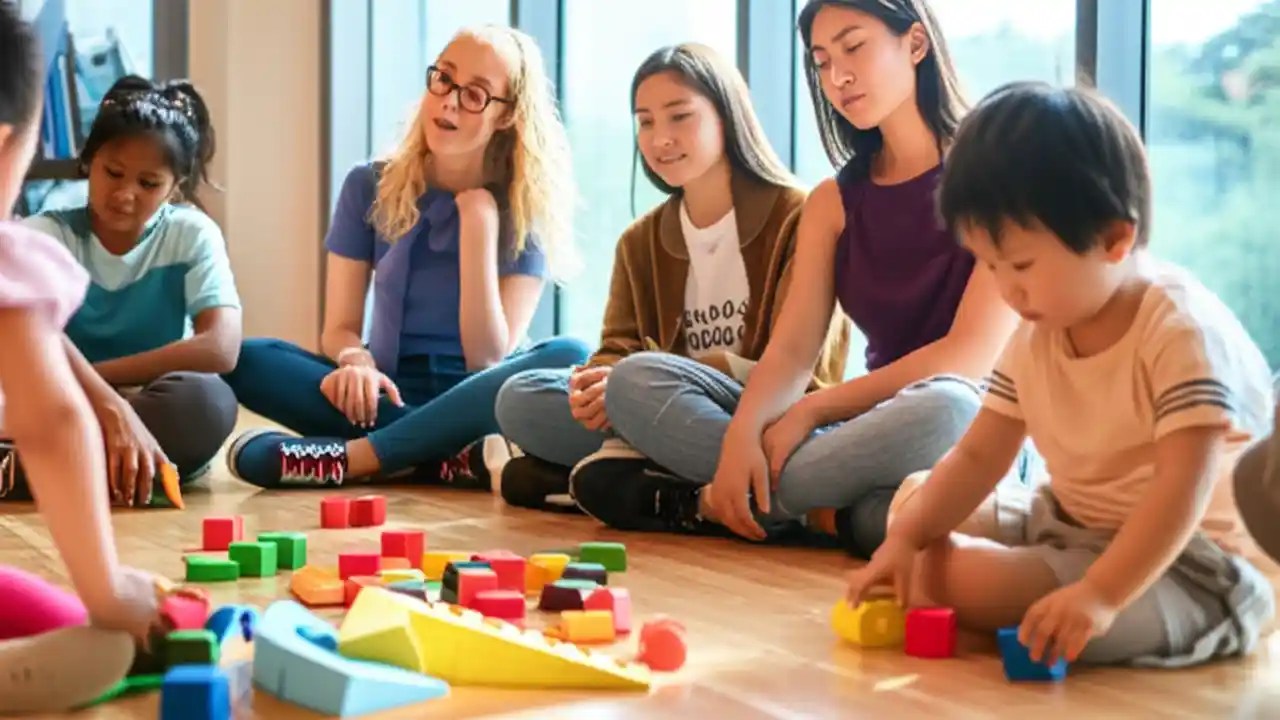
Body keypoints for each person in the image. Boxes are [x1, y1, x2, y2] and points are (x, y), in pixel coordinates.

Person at [566, 0, 1023, 553]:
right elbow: (792, 351)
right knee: (635, 381)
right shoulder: (834, 200)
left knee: (949, 406)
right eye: (822, 61)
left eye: (854, 47)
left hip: (964, 427)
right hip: (857, 435)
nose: (838, 77)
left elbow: (966, 359)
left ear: (916, 44)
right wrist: (741, 439)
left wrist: (810, 411)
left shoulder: (999, 175)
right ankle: (826, 513)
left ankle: (714, 504)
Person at [847, 82, 1275, 669]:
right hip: (1068, 523)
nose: (1007, 289)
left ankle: (1021, 595)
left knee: (960, 577)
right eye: (991, 265)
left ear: (1114, 240)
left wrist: (1099, 596)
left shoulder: (1178, 329)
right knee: (915, 506)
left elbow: (1184, 487)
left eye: (1021, 264)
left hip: (1193, 566)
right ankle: (977, 579)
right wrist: (904, 540)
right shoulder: (1038, 330)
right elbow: (977, 458)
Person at [223, 25, 588, 489]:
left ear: (507, 116)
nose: (449, 102)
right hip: (385, 391)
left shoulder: (523, 209)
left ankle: (360, 458)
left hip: (477, 400)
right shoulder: (367, 185)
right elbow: (338, 328)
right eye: (444, 79)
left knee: (570, 354)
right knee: (245, 357)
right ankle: (447, 458)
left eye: (475, 94)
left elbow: (488, 357)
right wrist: (355, 360)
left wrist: (478, 226)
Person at [494, 43, 850, 511]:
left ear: (726, 115)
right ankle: (668, 483)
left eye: (680, 116)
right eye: (645, 122)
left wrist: (638, 379)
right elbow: (617, 346)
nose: (660, 138)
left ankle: (634, 479)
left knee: (639, 381)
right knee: (520, 397)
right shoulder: (638, 242)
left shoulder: (800, 215)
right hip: (656, 408)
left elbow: (799, 364)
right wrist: (597, 382)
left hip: (763, 410)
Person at [0, 7, 198, 712]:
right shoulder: (18, 251)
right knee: (101, 639)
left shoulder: (189, 237)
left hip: (149, 396)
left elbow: (225, 344)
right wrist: (107, 585)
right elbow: (51, 419)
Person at [14, 75, 240, 506]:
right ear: (88, 163)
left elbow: (221, 347)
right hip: (50, 399)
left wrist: (102, 389)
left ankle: (34, 469)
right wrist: (100, 402)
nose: (124, 194)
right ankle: (126, 470)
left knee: (206, 401)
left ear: (176, 185)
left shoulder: (191, 234)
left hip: (143, 404)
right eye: (112, 173)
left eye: (148, 183)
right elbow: (25, 336)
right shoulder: (48, 233)